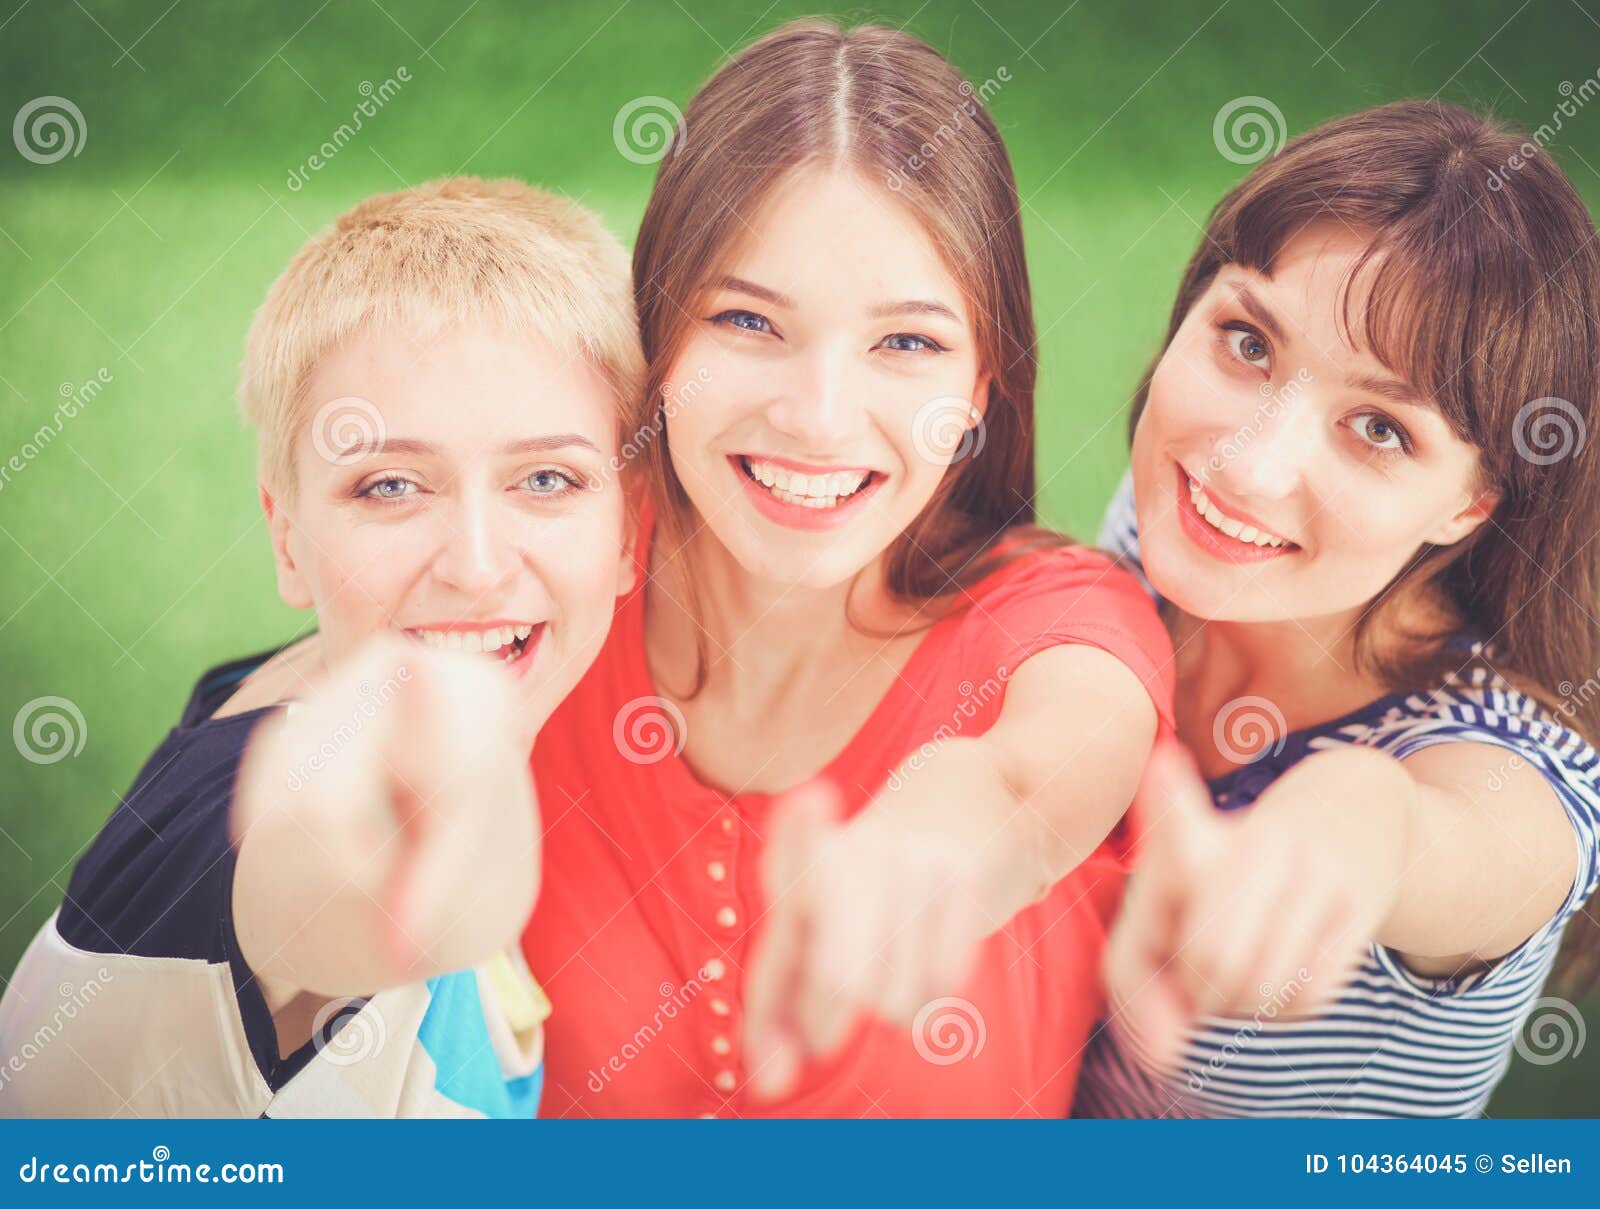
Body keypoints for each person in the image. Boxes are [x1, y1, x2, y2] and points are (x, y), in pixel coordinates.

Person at [522, 18, 1176, 1118]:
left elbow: (1028, 776)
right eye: (746, 320)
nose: (818, 418)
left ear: (979, 389)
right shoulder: (554, 583)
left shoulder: (1061, 623)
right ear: (657, 338)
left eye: (907, 343)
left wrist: (916, 849)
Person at [0, 177, 643, 1117]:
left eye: (547, 477)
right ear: (286, 537)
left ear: (632, 532)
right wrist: (451, 837)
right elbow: (345, 891)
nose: (473, 564)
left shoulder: (311, 666)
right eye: (388, 486)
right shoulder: (260, 840)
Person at [1075, 101, 1600, 1117]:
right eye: (1246, 342)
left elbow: (1477, 842)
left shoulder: (1508, 760)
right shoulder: (1158, 544)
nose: (1245, 463)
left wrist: (1358, 818)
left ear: (1471, 502)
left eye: (1376, 426)